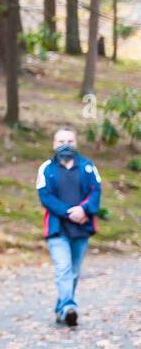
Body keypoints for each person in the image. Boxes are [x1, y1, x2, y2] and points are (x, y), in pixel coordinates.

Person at [36, 127, 102, 326]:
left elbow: (96, 191)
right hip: (57, 229)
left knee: (73, 271)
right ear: (54, 144)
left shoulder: (88, 167)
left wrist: (83, 210)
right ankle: (69, 307)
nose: (66, 144)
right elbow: (45, 196)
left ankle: (62, 307)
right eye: (61, 141)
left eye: (70, 141)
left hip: (82, 228)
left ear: (76, 143)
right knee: (63, 268)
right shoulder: (46, 168)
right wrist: (68, 212)